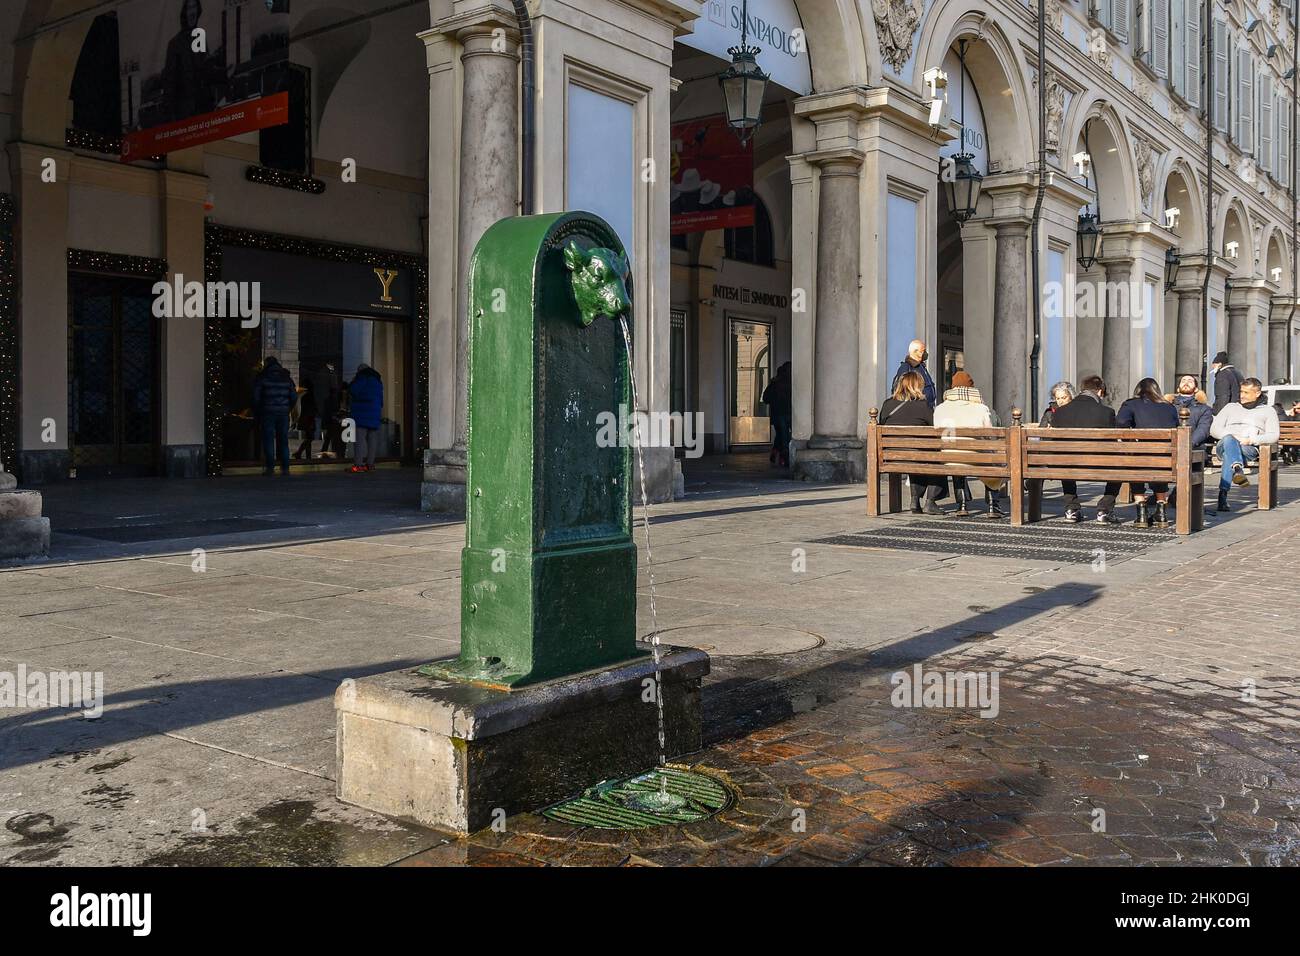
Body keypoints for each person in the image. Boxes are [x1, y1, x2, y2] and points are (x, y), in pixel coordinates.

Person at [1047, 375, 1122, 524]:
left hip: (1066, 464)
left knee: (1065, 458)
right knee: (1121, 466)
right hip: (1099, 464)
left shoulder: (1060, 412)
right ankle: (1105, 509)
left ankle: (1071, 509)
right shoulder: (1107, 412)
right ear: (1100, 392)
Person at [934, 370, 1004, 517]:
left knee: (956, 455)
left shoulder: (939, 408)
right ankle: (993, 505)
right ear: (971, 389)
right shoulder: (980, 408)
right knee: (993, 457)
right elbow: (989, 435)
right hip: (973, 458)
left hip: (948, 458)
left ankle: (962, 504)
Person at [1210, 377, 1280, 513]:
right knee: (1229, 440)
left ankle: (1224, 492)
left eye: (1246, 393)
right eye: (1241, 392)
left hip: (1248, 447)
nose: (1242, 395)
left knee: (1228, 455)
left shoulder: (1268, 411)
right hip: (1225, 443)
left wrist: (1252, 440)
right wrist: (1232, 436)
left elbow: (1274, 435)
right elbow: (1214, 429)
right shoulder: (1230, 407)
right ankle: (1237, 469)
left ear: (1257, 393)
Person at [880, 370, 945, 514]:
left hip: (890, 457)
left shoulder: (887, 404)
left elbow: (880, 424)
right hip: (915, 456)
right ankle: (930, 501)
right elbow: (934, 431)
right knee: (934, 456)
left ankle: (915, 500)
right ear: (918, 386)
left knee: (916, 454)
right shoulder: (923, 406)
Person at [1117, 378, 1178, 527]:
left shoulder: (1130, 404)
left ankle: (1142, 514)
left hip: (1141, 457)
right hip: (1165, 458)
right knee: (1158, 460)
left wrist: (1130, 440)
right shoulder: (1169, 407)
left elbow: (1120, 423)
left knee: (1135, 459)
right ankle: (1162, 512)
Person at [252, 356, 297, 476]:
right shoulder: (286, 378)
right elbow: (294, 396)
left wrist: (258, 409)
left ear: (267, 364)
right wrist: (288, 408)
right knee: (283, 440)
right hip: (283, 413)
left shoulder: (263, 377)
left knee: (268, 440)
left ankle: (270, 467)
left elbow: (256, 397)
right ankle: (285, 468)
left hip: (268, 412)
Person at [347, 363, 384, 473]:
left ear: (360, 371)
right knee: (372, 439)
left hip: (361, 413)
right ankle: (370, 464)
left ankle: (358, 465)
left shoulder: (362, 377)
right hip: (375, 412)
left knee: (359, 440)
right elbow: (381, 400)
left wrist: (353, 381)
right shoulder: (378, 381)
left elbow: (353, 390)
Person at [1167, 375, 1213, 448]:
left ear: (1196, 389)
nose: (1186, 383)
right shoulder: (1168, 406)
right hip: (1170, 447)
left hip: (1193, 448)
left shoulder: (1204, 409)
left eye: (1190, 381)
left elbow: (1203, 430)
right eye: (1183, 381)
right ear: (1178, 389)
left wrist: (1186, 445)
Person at [762, 362, 793, 467]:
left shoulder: (775, 383)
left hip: (778, 414)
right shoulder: (791, 383)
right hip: (788, 412)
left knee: (781, 435)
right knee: (785, 436)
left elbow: (765, 399)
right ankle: (783, 457)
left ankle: (777, 453)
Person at [891, 339, 936, 409]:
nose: (925, 353)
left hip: (927, 408)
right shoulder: (906, 367)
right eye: (923, 351)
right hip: (916, 408)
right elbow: (899, 390)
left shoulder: (922, 367)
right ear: (915, 352)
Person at [294, 380, 318, 460]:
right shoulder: (309, 396)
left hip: (306, 419)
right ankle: (300, 453)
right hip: (309, 419)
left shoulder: (304, 396)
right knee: (310, 438)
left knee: (309, 437)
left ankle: (306, 455)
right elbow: (311, 409)